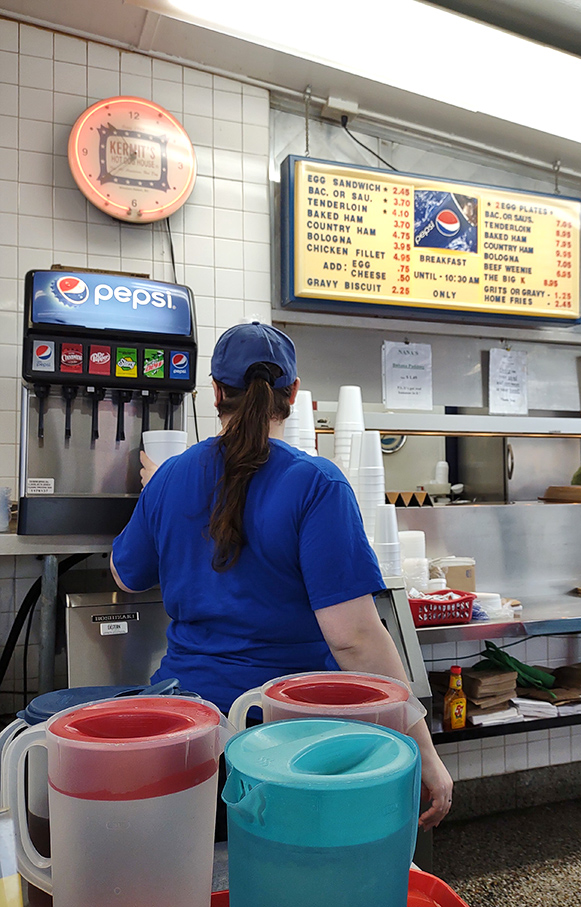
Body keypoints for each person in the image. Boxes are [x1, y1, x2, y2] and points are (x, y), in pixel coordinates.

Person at [110, 321, 452, 832]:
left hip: (188, 733)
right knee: (284, 867)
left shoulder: (171, 476)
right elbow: (355, 639)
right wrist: (422, 748)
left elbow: (125, 575)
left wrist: (158, 496)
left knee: (204, 867)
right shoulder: (317, 483)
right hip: (290, 744)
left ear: (216, 392)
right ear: (292, 395)